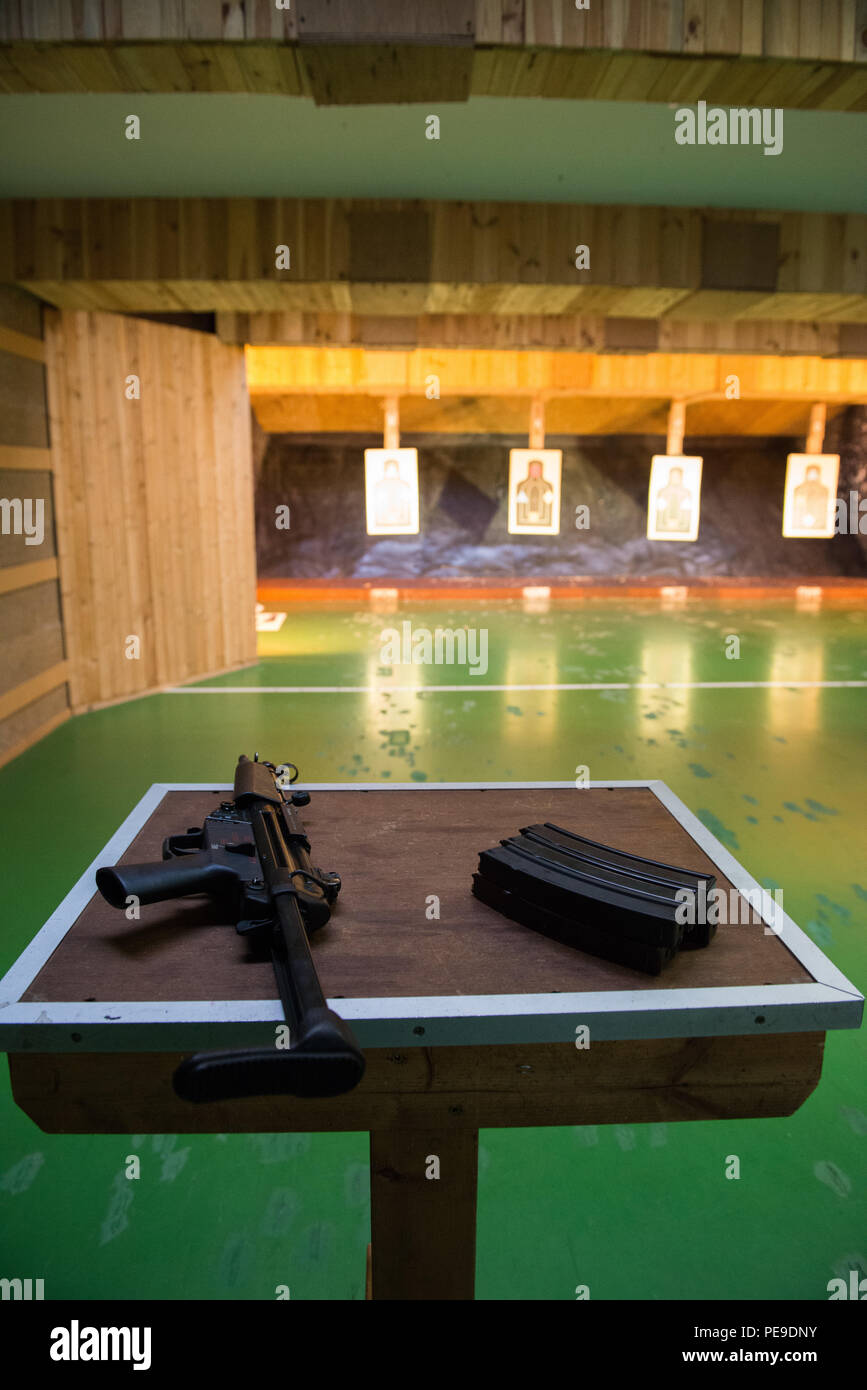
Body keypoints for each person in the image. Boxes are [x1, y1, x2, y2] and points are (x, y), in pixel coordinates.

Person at [373, 457, 411, 527]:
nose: (391, 472)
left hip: (400, 516)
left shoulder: (403, 485)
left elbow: (405, 504)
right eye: (389, 469)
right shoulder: (380, 486)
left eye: (393, 469)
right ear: (385, 470)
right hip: (384, 517)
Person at [515, 458, 553, 526]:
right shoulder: (523, 486)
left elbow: (548, 502)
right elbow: (521, 502)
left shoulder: (546, 486)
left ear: (541, 471)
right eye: (533, 469)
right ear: (529, 470)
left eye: (537, 469)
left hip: (542, 516)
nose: (535, 471)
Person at [655, 465, 693, 533]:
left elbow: (686, 514)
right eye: (673, 476)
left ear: (681, 477)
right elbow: (660, 512)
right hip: (663, 526)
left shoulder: (686, 493)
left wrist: (682, 525)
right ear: (669, 477)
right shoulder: (663, 492)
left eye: (677, 476)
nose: (675, 478)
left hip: (681, 527)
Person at [792, 463, 829, 531]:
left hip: (818, 519)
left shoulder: (824, 490)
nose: (813, 476)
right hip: (802, 519)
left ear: (818, 475)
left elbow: (823, 506)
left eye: (815, 473)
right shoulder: (799, 489)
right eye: (811, 473)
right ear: (807, 474)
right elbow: (798, 506)